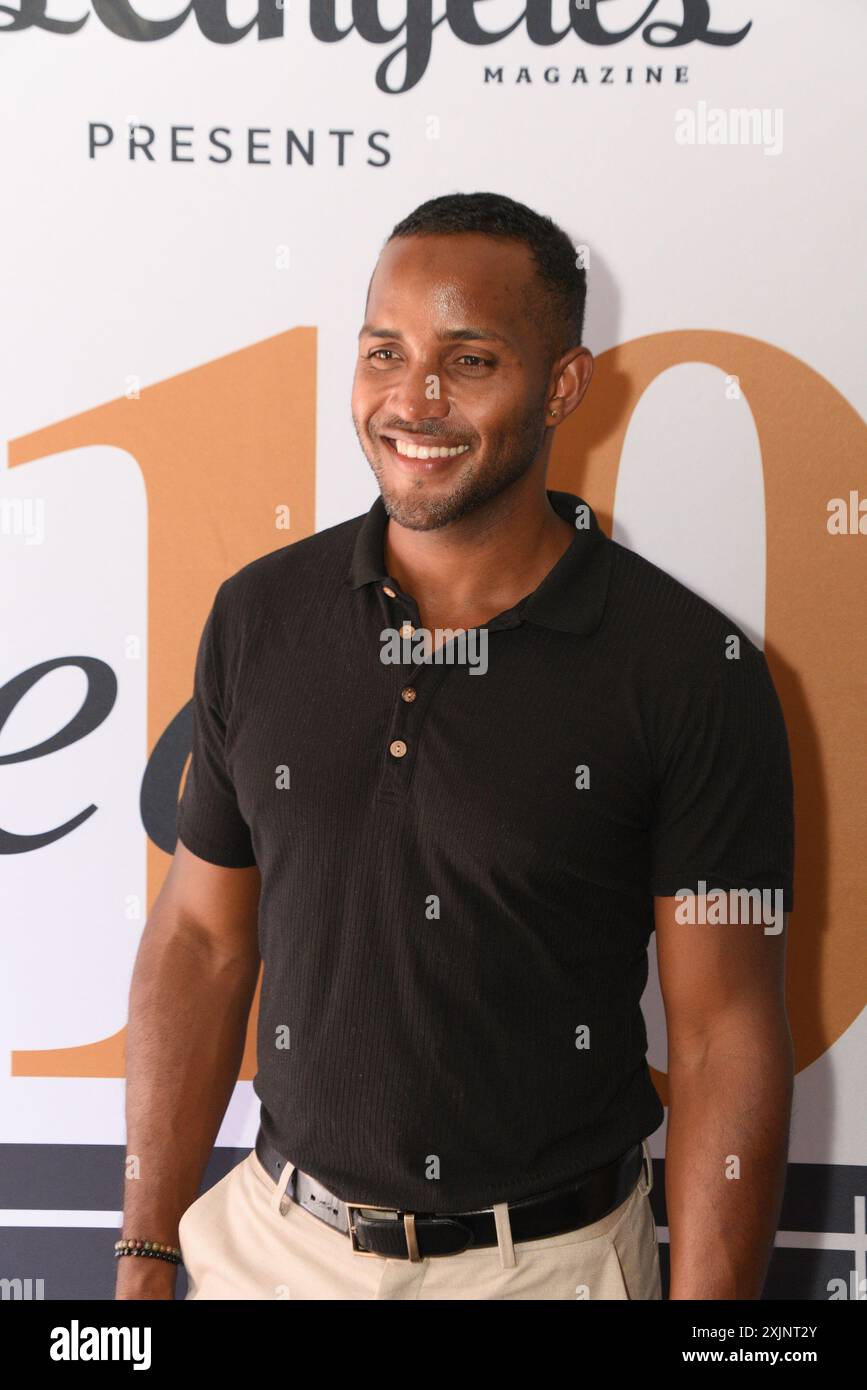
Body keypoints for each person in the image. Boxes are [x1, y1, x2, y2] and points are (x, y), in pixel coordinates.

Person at [116, 191, 795, 1301]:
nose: (412, 399)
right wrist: (146, 1255)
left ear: (564, 386)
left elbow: (725, 1033)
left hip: (547, 1269)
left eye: (469, 360)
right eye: (386, 351)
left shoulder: (688, 668)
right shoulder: (262, 617)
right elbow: (197, 940)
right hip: (268, 1253)